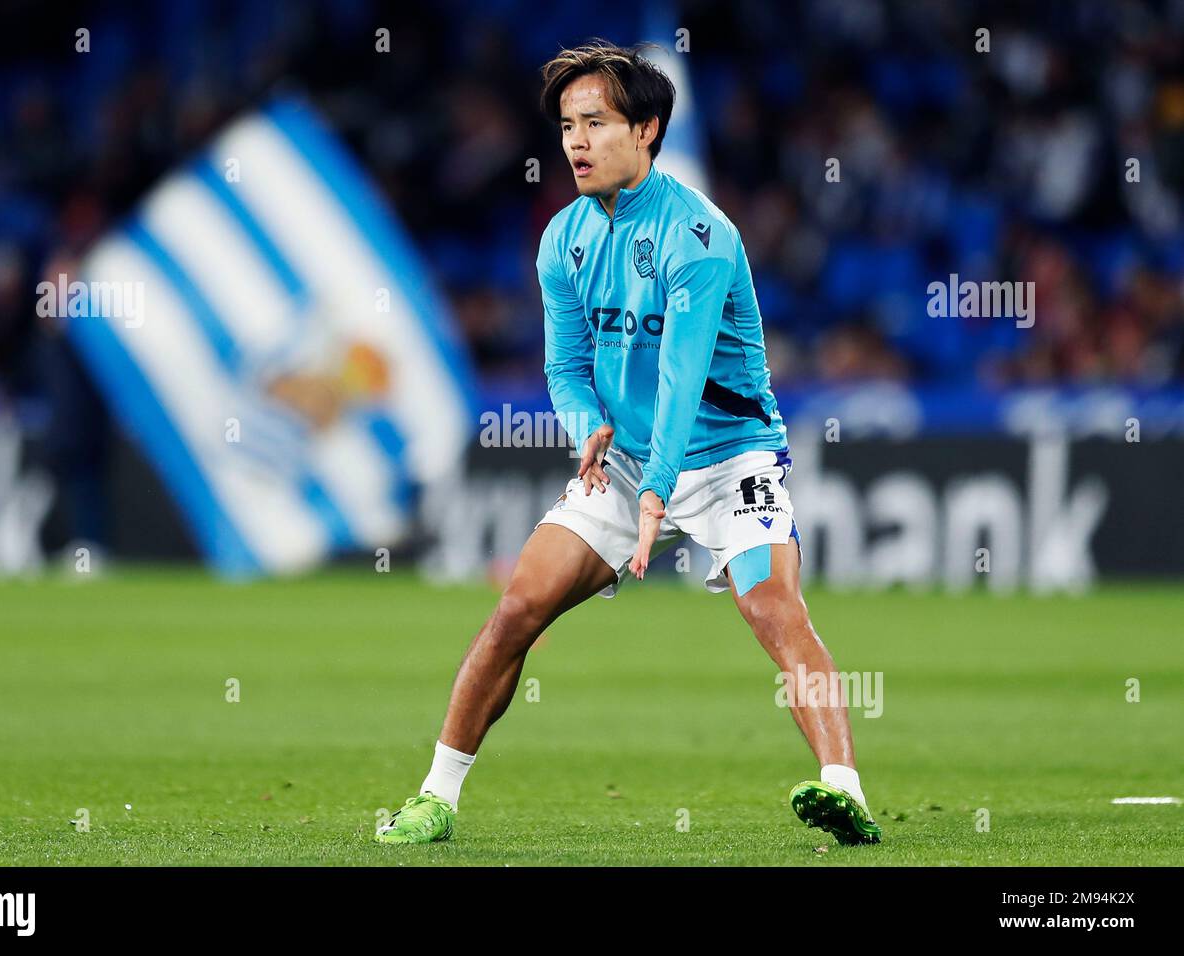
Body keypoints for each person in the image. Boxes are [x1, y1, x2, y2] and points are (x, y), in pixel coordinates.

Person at [375, 40, 880, 847]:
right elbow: (566, 367)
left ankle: (843, 790)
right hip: (625, 461)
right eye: (569, 126)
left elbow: (683, 377)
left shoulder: (700, 235)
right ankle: (436, 798)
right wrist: (587, 430)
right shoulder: (562, 241)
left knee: (773, 607)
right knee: (516, 609)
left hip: (727, 457)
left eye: (597, 123)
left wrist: (659, 490)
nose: (576, 142)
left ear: (646, 130)